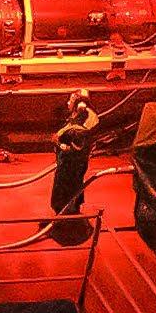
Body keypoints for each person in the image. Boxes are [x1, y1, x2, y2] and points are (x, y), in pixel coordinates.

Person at [50, 90, 100, 218]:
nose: (68, 103)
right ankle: (65, 212)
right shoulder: (75, 119)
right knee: (65, 187)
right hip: (67, 164)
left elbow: (76, 148)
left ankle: (68, 215)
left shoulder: (83, 122)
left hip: (71, 165)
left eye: (71, 100)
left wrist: (59, 143)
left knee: (68, 188)